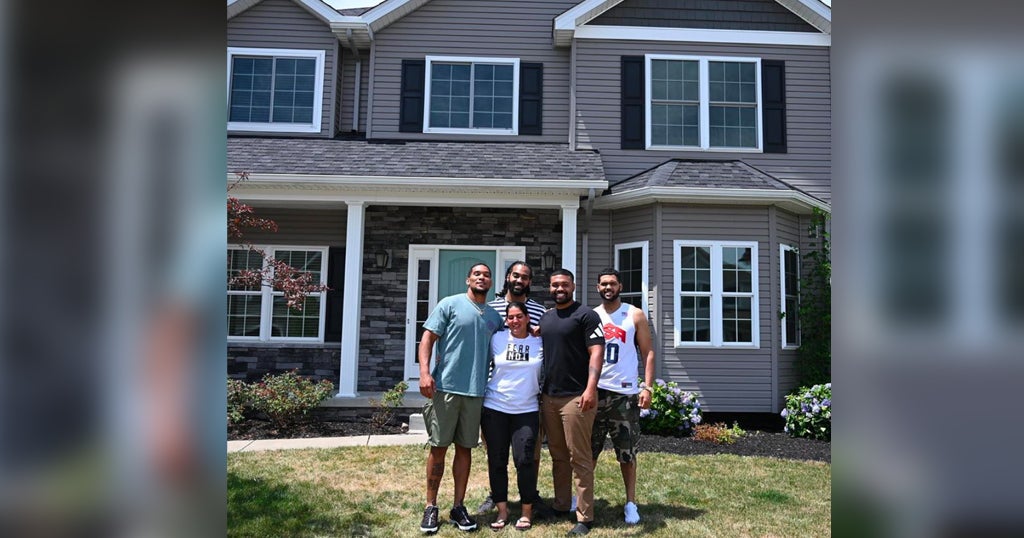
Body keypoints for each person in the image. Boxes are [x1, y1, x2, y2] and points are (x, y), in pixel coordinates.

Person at [417, 263, 503, 534]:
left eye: (486, 275)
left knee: (465, 449)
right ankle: (430, 506)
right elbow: (428, 338)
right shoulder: (450, 304)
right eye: (477, 274)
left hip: (476, 392)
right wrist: (424, 373)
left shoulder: (494, 317)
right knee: (439, 447)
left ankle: (458, 506)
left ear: (491, 282)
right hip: (446, 388)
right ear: (468, 279)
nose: (482, 278)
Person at [477, 261, 549, 517]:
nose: (519, 280)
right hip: (495, 397)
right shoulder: (491, 309)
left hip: (527, 398)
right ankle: (496, 496)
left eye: (525, 277)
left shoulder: (540, 311)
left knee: (528, 454)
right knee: (496, 454)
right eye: (515, 275)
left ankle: (530, 495)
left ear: (530, 282)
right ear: (508, 277)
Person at [538, 269, 605, 536]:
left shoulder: (586, 315)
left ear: (573, 286)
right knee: (558, 456)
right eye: (555, 285)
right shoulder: (546, 317)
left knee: (580, 457)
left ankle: (585, 517)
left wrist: (591, 388)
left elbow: (596, 352)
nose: (559, 289)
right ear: (550, 287)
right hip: (549, 397)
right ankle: (561, 504)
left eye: (564, 284)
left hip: (577, 397)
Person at [590, 268, 656, 525]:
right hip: (596, 392)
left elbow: (648, 352)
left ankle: (630, 503)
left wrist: (647, 387)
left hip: (624, 394)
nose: (608, 287)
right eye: (604, 284)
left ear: (620, 286)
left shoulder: (634, 314)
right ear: (597, 287)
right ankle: (583, 498)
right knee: (588, 452)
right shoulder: (591, 316)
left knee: (627, 453)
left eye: (613, 283)